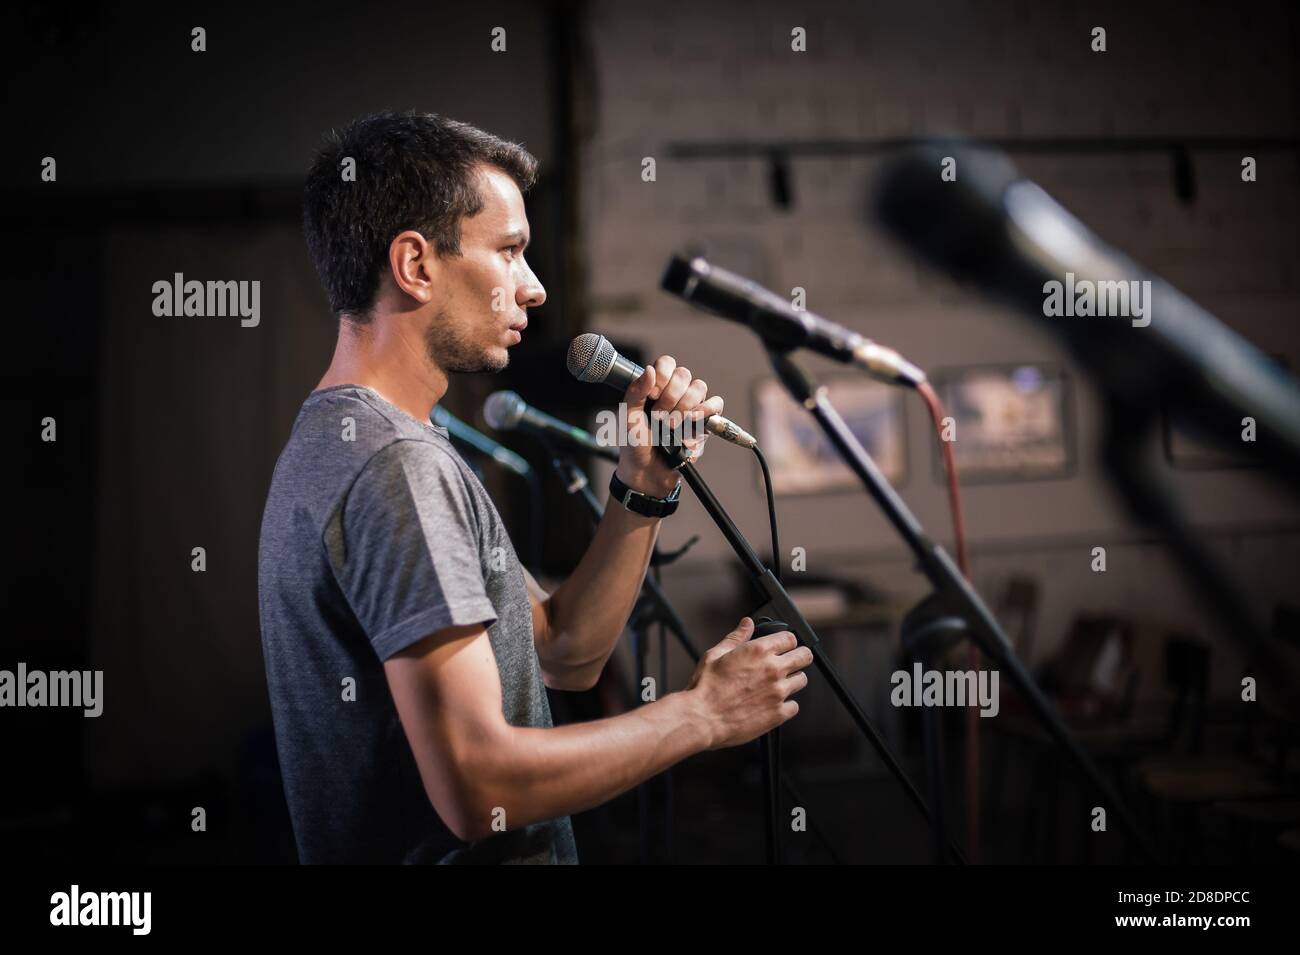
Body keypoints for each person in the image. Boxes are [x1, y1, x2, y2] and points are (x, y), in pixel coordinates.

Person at [257, 110, 811, 864]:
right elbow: (477, 784)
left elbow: (562, 649)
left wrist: (642, 484)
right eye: (511, 252)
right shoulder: (395, 469)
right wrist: (702, 715)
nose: (536, 288)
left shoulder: (359, 443)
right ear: (416, 265)